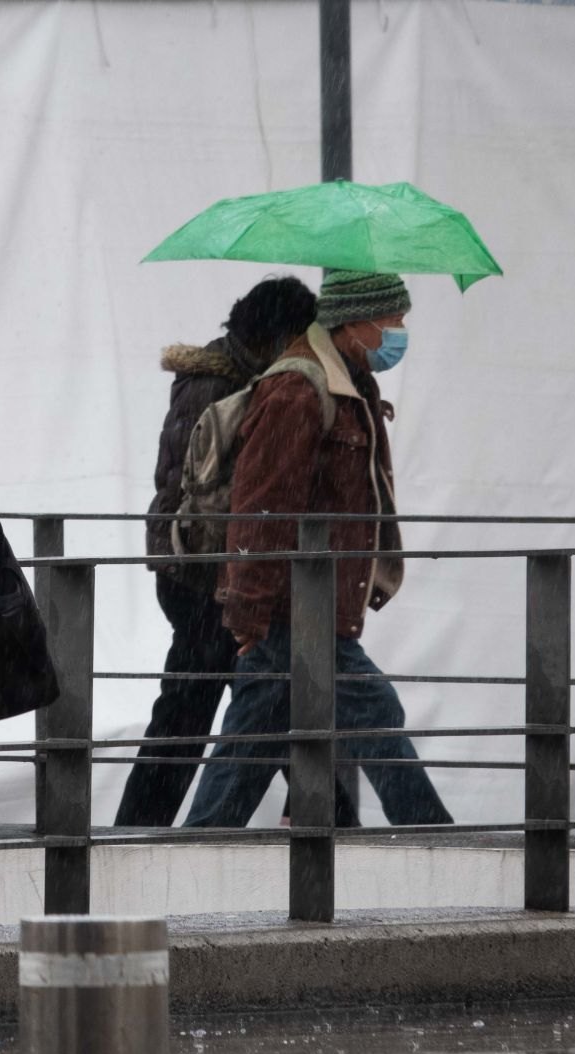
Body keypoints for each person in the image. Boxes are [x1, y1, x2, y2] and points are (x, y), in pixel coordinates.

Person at [181, 270, 453, 829]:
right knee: (373, 709)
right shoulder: (298, 390)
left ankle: (198, 844)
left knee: (252, 738)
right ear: (354, 322)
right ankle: (435, 836)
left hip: (308, 600)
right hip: (294, 603)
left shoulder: (348, 382)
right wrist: (248, 610)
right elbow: (262, 507)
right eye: (393, 320)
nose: (400, 333)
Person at [115, 276, 319, 828]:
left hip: (199, 570)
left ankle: (321, 812)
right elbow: (221, 496)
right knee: (219, 709)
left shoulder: (226, 377)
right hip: (206, 576)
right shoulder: (223, 388)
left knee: (251, 703)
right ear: (280, 335)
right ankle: (138, 831)